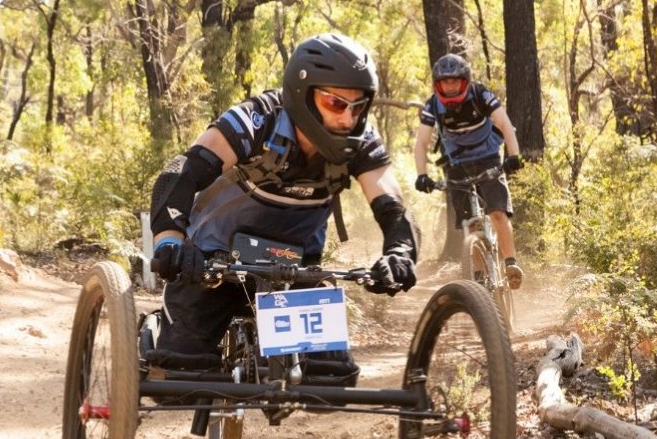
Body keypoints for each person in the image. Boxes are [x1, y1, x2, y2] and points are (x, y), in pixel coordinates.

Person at [148, 33, 418, 362]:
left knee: (327, 377)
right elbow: (181, 172)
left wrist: (399, 253)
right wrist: (170, 242)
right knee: (181, 371)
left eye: (358, 106)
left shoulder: (360, 141)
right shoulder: (258, 119)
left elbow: (392, 206)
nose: (348, 118)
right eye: (336, 103)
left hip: (295, 273)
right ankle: (152, 332)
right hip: (212, 266)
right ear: (303, 96)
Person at [412, 53, 524, 289]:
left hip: (488, 158)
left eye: (455, 81)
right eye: (445, 81)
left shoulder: (480, 94)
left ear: (465, 81)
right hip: (456, 164)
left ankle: (511, 263)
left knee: (497, 213)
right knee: (469, 224)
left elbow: (504, 124)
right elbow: (421, 142)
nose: (450, 86)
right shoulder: (433, 105)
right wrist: (422, 175)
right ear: (437, 83)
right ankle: (481, 277)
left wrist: (513, 156)